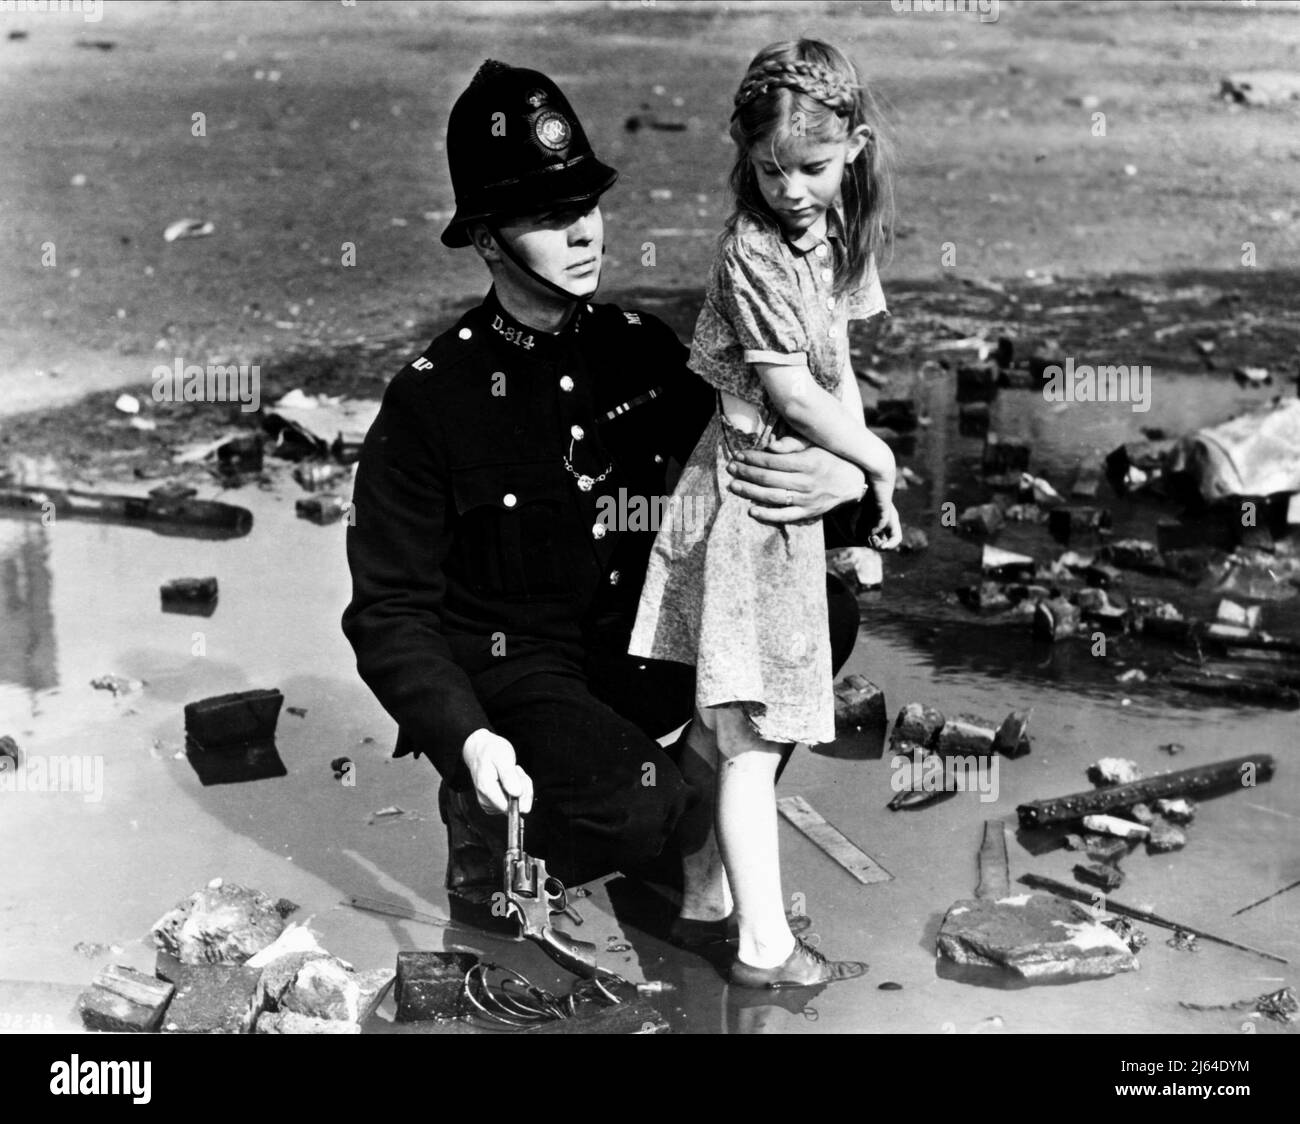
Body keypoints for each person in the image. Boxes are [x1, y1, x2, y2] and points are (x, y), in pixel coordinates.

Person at [341, 58, 874, 936]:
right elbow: (388, 612)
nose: (583, 232)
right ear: (487, 239)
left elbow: (749, 461)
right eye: (550, 217)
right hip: (520, 677)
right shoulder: (433, 399)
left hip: (633, 644)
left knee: (821, 614)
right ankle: (491, 820)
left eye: (586, 205)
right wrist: (466, 739)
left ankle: (685, 837)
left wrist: (843, 482)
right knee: (635, 805)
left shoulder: (640, 349)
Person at [628, 38, 900, 987]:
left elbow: (839, 371)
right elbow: (790, 394)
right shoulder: (750, 250)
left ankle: (701, 889)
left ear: (854, 148)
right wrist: (875, 458)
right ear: (745, 157)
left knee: (727, 722)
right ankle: (764, 947)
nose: (789, 189)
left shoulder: (837, 228)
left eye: (811, 168)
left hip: (790, 500)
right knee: (752, 733)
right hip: (747, 502)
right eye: (769, 168)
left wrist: (864, 484)